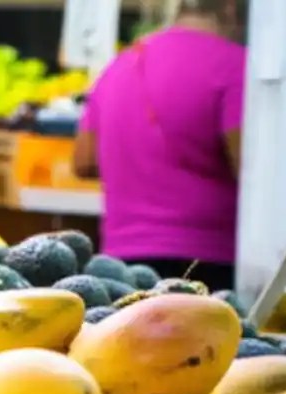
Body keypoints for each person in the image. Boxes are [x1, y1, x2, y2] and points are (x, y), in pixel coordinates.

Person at [74, 0, 246, 290]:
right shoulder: (236, 66)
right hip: (205, 264)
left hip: (121, 264)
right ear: (230, 8)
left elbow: (83, 161)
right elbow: (250, 171)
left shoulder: (120, 65)